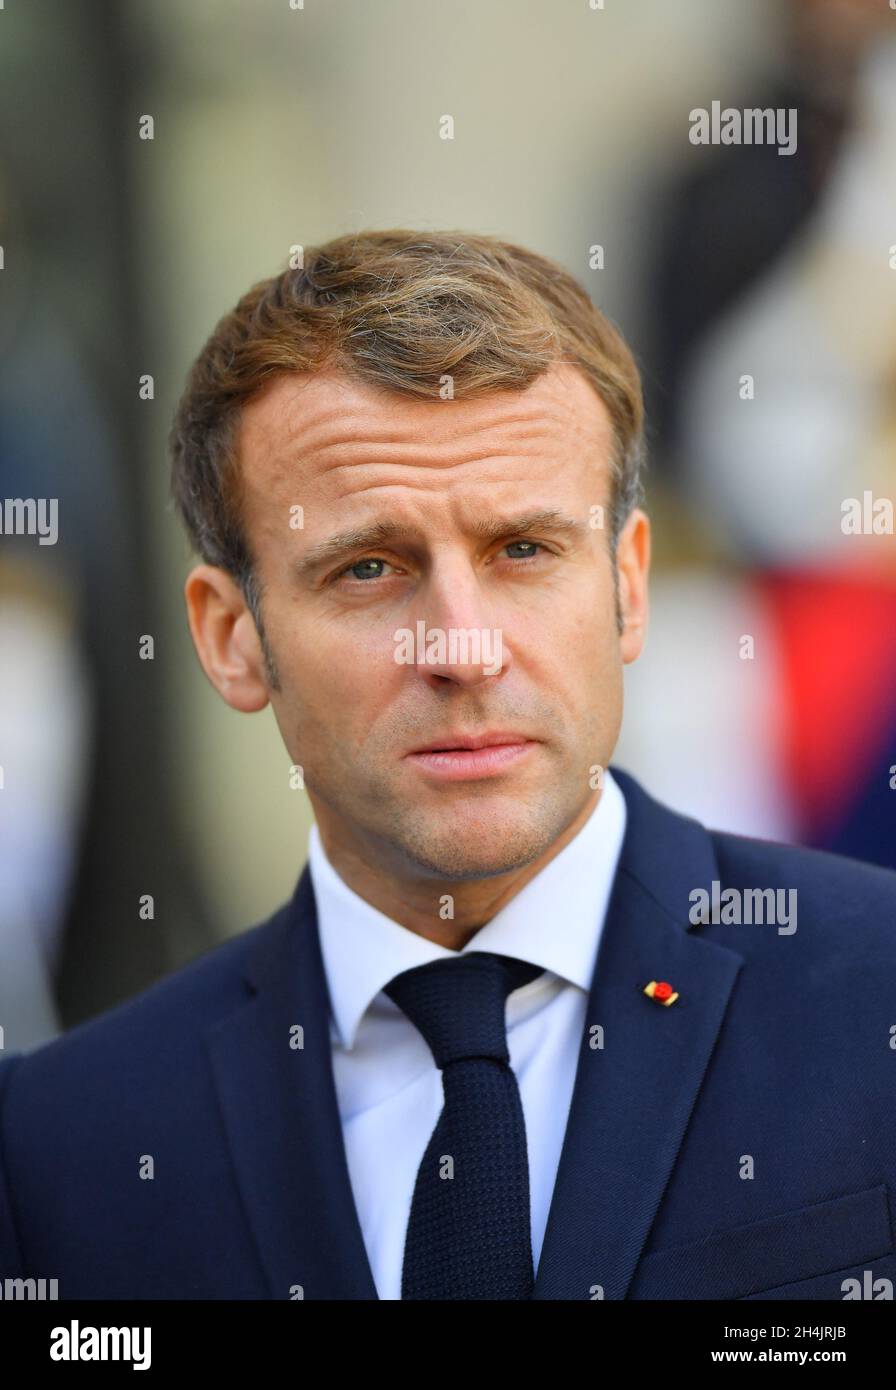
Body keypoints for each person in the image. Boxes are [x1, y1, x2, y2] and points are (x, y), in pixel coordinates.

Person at [1, 230, 894, 1301]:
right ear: (232, 636)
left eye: (522, 551)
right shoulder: (60, 1149)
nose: (462, 649)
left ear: (628, 585)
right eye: (369, 568)